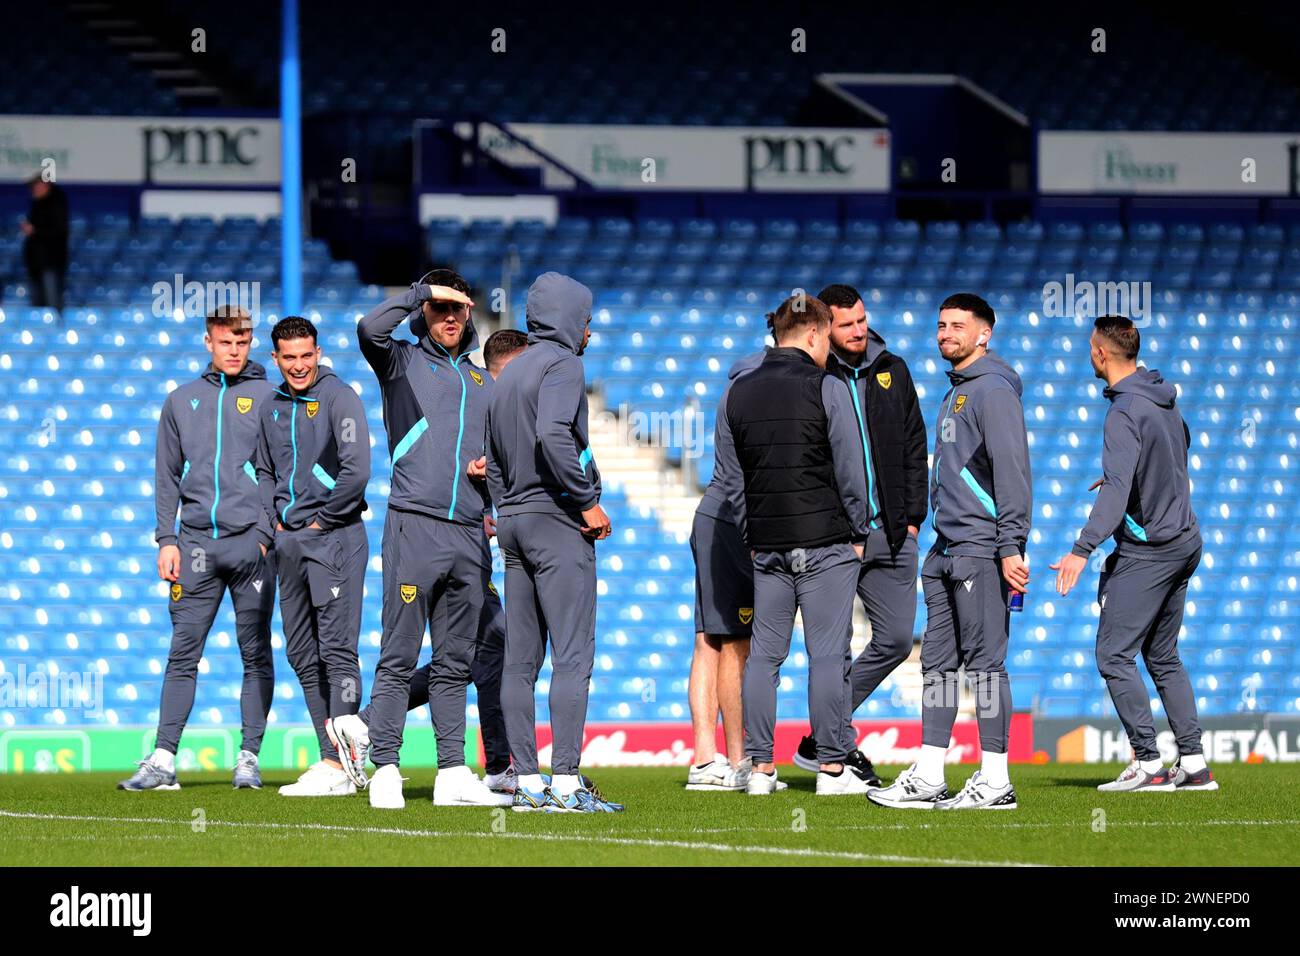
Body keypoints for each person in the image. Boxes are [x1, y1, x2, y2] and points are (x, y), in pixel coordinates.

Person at [326, 328, 529, 796]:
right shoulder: (410, 365)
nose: (453, 314)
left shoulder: (487, 393)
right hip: (417, 529)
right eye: (443, 307)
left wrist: (489, 493)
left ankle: (456, 769)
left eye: (459, 306)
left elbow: (496, 465)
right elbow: (371, 330)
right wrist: (426, 294)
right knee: (409, 653)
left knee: (464, 657)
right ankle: (388, 764)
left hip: (468, 536)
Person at [869, 293, 1030, 811]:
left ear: (985, 334)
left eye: (957, 326)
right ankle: (931, 773)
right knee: (937, 667)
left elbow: (1012, 472)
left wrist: (1011, 545)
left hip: (982, 549)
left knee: (985, 667)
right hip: (946, 548)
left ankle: (996, 779)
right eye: (941, 326)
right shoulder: (956, 390)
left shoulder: (994, 391)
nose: (945, 334)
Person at [1049, 316, 1217, 792]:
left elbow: (1119, 487)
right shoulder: (1160, 395)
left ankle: (1146, 761)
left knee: (1112, 654)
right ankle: (1195, 765)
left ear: (1101, 353)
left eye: (1090, 350)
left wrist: (1082, 549)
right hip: (1186, 540)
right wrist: (1139, 476)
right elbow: (1179, 446)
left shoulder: (1123, 411)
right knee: (1163, 655)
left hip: (1152, 550)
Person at [119, 305, 276, 791]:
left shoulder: (270, 397)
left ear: (251, 343)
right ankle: (163, 760)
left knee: (255, 653)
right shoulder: (180, 400)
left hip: (251, 547)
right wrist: (166, 539)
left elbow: (280, 471)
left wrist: (266, 535)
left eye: (242, 342)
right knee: (182, 654)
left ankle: (249, 757)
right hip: (195, 548)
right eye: (225, 341)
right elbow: (166, 476)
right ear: (208, 342)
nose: (234, 350)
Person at [486, 271, 623, 813]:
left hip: (515, 522)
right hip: (555, 520)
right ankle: (566, 783)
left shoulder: (507, 374)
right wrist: (586, 498)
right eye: (585, 320)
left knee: (521, 660)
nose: (587, 332)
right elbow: (552, 432)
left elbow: (492, 455)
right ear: (570, 317)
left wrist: (506, 508)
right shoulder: (563, 364)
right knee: (572, 655)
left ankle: (525, 783)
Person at [724, 294, 872, 796]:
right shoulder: (828, 387)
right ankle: (832, 769)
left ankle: (761, 769)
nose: (831, 347)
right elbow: (852, 469)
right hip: (826, 542)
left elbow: (732, 479)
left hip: (768, 546)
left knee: (765, 656)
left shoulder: (737, 392)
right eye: (828, 338)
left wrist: (752, 535)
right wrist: (858, 532)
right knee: (827, 656)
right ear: (813, 335)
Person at [788, 284, 928, 788]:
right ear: (824, 327)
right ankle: (834, 747)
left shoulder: (894, 369)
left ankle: (824, 734)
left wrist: (913, 519)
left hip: (894, 534)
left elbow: (916, 445)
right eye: (847, 324)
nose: (859, 331)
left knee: (893, 640)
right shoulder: (810, 377)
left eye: (863, 320)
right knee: (835, 649)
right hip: (837, 539)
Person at [255, 316, 370, 797]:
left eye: (307, 355)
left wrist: (322, 519)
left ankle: (346, 763)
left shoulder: (339, 397)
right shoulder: (271, 405)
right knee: (303, 653)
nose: (299, 365)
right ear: (276, 358)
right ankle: (332, 756)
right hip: (290, 544)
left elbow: (357, 468)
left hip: (335, 538)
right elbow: (263, 470)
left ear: (317, 351)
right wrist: (276, 519)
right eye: (289, 357)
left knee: (337, 650)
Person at [685, 348, 764, 791]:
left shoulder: (738, 384)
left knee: (709, 642)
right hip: (733, 520)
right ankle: (737, 761)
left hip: (714, 517)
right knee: (736, 642)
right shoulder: (755, 389)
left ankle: (704, 761)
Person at [21, 176, 68, 314]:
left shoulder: (56, 204)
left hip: (50, 263)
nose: (33, 190)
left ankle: (54, 332)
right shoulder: (36, 204)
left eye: (36, 186)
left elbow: (58, 232)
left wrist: (34, 230)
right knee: (37, 305)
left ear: (46, 186)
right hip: (35, 265)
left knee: (51, 304)